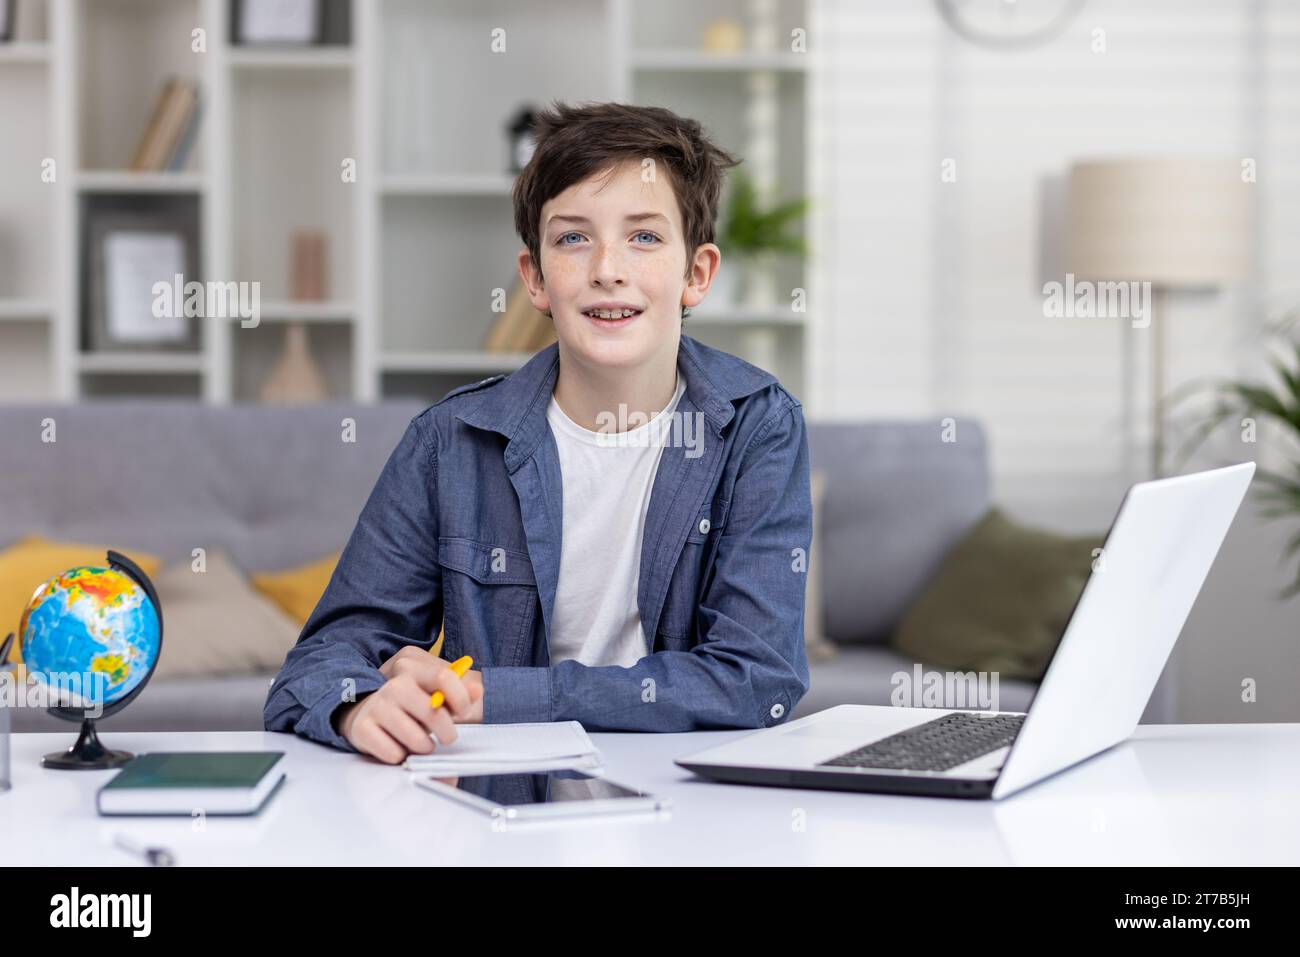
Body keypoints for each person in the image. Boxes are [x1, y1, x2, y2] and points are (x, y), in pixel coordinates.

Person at [264, 101, 812, 764]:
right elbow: (317, 663)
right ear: (535, 279)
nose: (607, 267)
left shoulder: (758, 426)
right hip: (501, 795)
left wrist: (499, 695)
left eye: (643, 237)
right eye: (573, 237)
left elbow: (758, 679)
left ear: (696, 275)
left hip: (689, 802)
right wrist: (356, 704)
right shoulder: (450, 440)